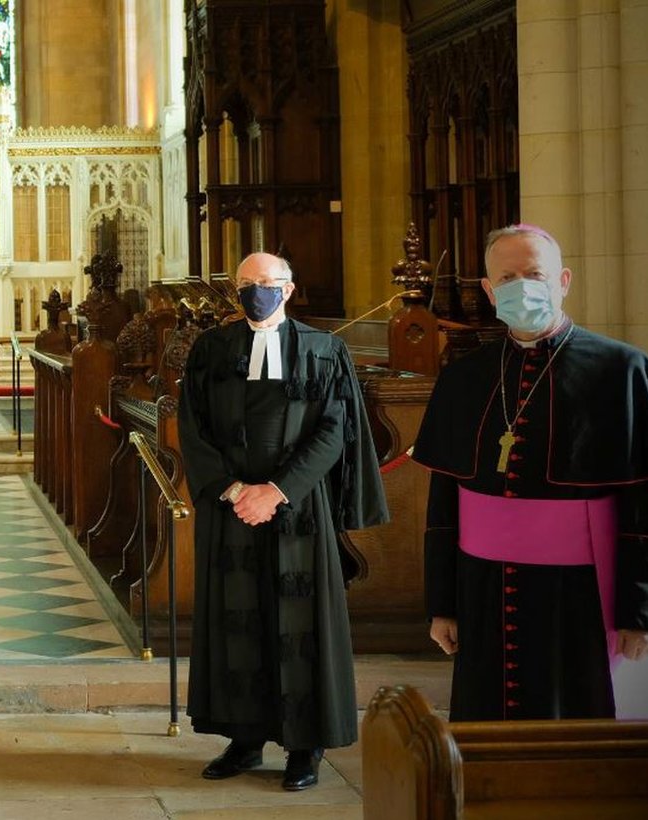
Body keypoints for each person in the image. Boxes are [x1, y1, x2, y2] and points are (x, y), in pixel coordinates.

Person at [413, 224, 648, 720]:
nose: (522, 286)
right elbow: (443, 500)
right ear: (489, 289)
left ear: (563, 280)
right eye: (508, 276)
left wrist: (638, 612)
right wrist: (442, 603)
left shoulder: (622, 370)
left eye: (535, 274)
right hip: (483, 589)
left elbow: (640, 506)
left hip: (582, 595)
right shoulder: (462, 377)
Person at [178, 252, 388, 791]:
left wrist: (277, 491)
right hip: (232, 509)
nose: (256, 293)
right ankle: (244, 740)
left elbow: (334, 429)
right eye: (246, 285)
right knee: (236, 621)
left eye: (267, 284)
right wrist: (232, 489)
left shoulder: (324, 350)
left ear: (289, 289)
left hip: (298, 510)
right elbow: (192, 426)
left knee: (301, 625)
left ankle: (304, 748)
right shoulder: (210, 349)